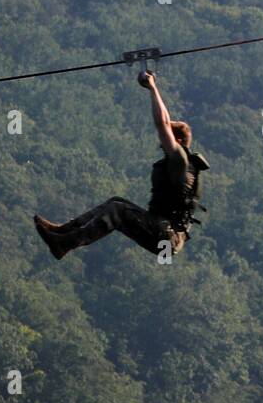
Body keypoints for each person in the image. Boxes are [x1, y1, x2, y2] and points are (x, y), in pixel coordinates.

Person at [34, 70, 208, 260]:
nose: (161, 142)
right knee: (115, 201)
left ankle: (64, 244)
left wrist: (152, 87)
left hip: (167, 238)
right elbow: (165, 125)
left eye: (167, 139)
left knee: (117, 210)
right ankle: (62, 232)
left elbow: (162, 123)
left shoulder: (180, 160)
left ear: (180, 141)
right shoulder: (179, 162)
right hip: (163, 232)